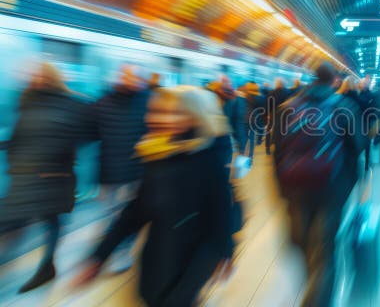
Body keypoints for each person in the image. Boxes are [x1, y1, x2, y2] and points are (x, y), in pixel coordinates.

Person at [75, 86, 235, 306]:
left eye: (174, 112)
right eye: (155, 111)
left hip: (192, 263)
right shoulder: (156, 155)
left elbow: (222, 213)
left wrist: (226, 250)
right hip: (157, 261)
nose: (158, 119)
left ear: (194, 117)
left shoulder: (209, 158)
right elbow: (136, 212)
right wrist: (99, 256)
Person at [273, 63, 366, 307]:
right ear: (335, 80)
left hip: (294, 188)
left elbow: (277, 152)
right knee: (326, 250)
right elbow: (357, 146)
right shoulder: (344, 107)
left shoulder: (287, 108)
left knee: (303, 243)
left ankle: (314, 283)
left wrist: (281, 190)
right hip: (333, 188)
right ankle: (318, 294)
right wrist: (354, 182)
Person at [0, 63, 92, 293]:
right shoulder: (28, 102)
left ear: (51, 77)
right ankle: (41, 268)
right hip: (25, 176)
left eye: (38, 74)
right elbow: (21, 137)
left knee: (37, 222)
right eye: (31, 74)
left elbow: (87, 135)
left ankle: (45, 269)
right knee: (34, 222)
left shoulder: (73, 103)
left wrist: (59, 153)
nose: (32, 78)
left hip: (53, 176)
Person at [90, 64, 151, 273]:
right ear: (119, 78)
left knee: (128, 215)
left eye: (137, 78)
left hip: (136, 170)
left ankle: (121, 253)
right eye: (129, 77)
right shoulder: (103, 103)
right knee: (112, 214)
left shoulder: (149, 102)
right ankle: (110, 248)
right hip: (111, 171)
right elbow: (91, 132)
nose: (134, 82)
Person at [265, 78, 289, 155]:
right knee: (281, 131)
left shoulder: (271, 92)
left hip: (273, 114)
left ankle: (267, 148)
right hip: (283, 115)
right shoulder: (287, 92)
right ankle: (278, 148)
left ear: (276, 84)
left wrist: (268, 114)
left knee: (269, 130)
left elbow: (268, 104)